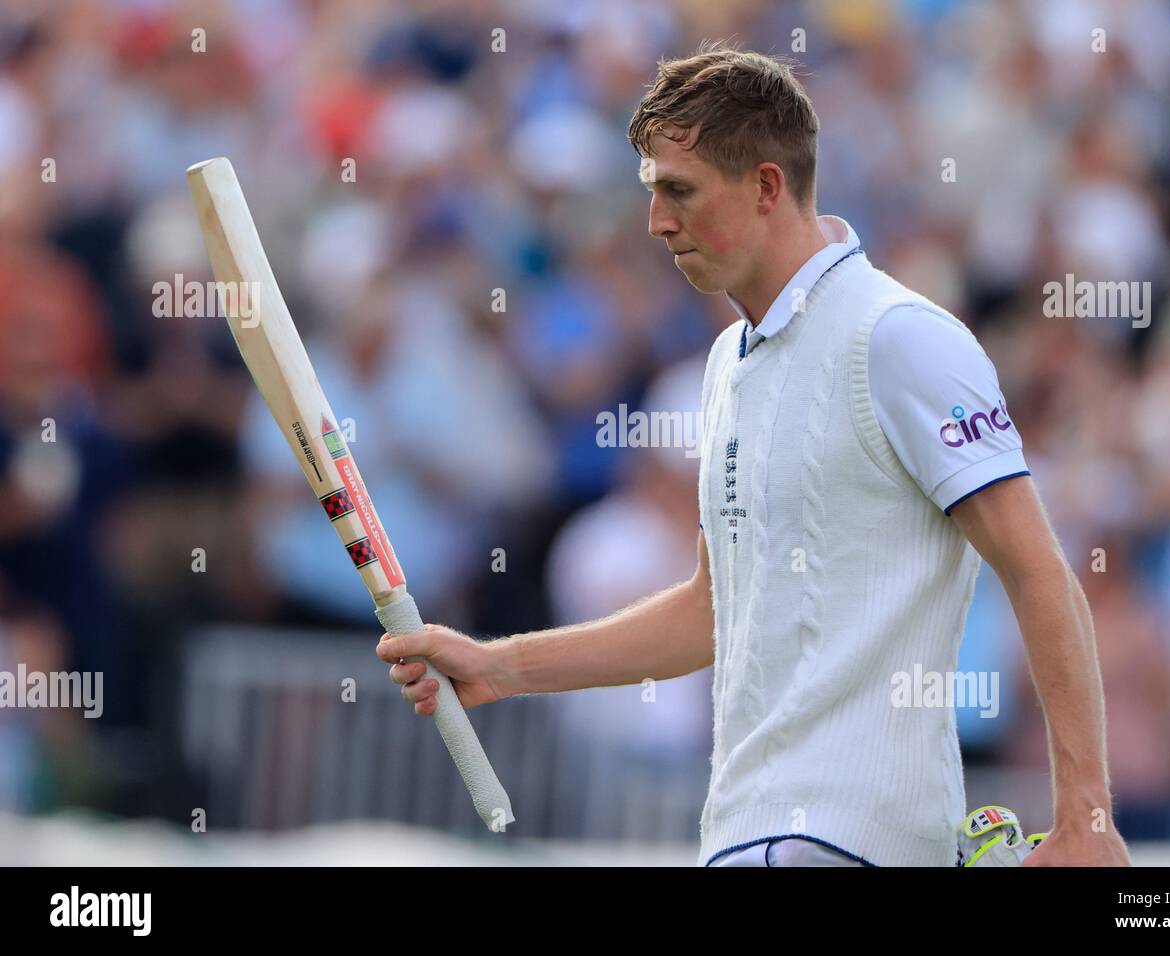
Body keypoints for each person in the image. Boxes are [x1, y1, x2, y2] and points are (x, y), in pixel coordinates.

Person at [376, 43, 1131, 867]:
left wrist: (1086, 817)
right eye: (654, 192)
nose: (657, 221)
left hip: (854, 843)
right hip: (744, 838)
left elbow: (1037, 569)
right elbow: (714, 610)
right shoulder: (726, 362)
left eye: (680, 192)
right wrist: (500, 665)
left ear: (767, 185)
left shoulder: (901, 336)